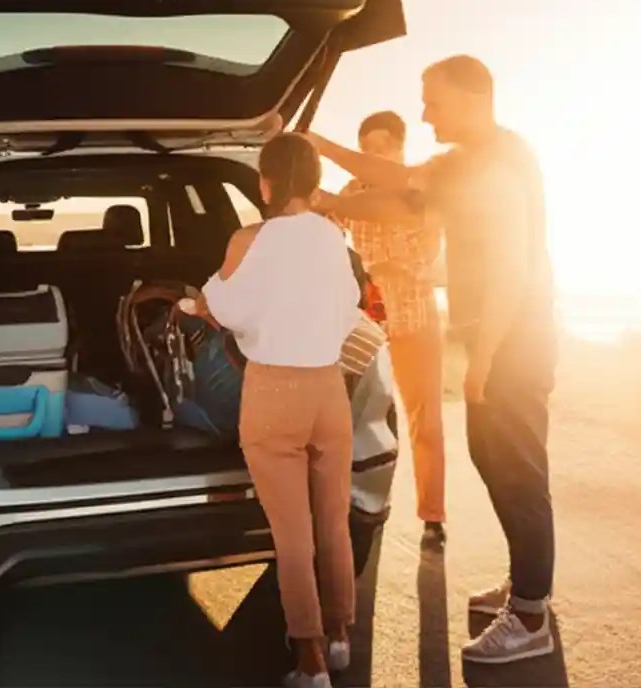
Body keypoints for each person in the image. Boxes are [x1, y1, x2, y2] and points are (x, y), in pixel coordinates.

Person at [306, 54, 559, 665]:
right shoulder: (461, 164)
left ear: (472, 98)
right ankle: (528, 585)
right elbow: (393, 192)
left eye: (434, 101)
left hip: (513, 340)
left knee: (517, 471)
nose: (424, 112)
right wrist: (319, 160)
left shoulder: (497, 167)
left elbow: (511, 269)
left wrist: (485, 359)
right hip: (496, 338)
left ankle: (529, 615)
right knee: (495, 460)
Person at [194, 133, 362, 688]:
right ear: (313, 183)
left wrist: (195, 303)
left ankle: (309, 659)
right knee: (334, 519)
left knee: (293, 536)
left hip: (274, 394)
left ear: (265, 183)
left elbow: (223, 308)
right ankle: (340, 637)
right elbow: (348, 310)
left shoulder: (250, 239)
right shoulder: (333, 236)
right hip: (328, 388)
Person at [338, 110, 447, 546]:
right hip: (366, 328)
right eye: (367, 149)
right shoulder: (351, 191)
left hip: (416, 320)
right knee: (356, 421)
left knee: (427, 423)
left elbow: (428, 255)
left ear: (401, 146)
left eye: (382, 147)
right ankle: (357, 505)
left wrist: (384, 266)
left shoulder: (421, 191)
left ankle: (433, 517)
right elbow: (326, 223)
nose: (374, 156)